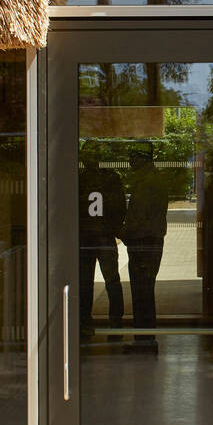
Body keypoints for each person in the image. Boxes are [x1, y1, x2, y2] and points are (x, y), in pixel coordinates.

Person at [120, 145, 169, 350]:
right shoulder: (154, 179)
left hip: (143, 242)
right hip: (151, 240)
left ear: (143, 159)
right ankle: (145, 338)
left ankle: (144, 340)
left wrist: (120, 232)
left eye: (133, 157)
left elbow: (138, 218)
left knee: (141, 292)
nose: (130, 162)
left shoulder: (147, 183)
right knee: (145, 291)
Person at [77, 142, 126, 337]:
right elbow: (120, 206)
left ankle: (85, 323)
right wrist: (113, 228)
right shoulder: (111, 178)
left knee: (85, 282)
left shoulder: (79, 180)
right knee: (112, 281)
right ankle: (116, 324)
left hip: (85, 237)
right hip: (104, 236)